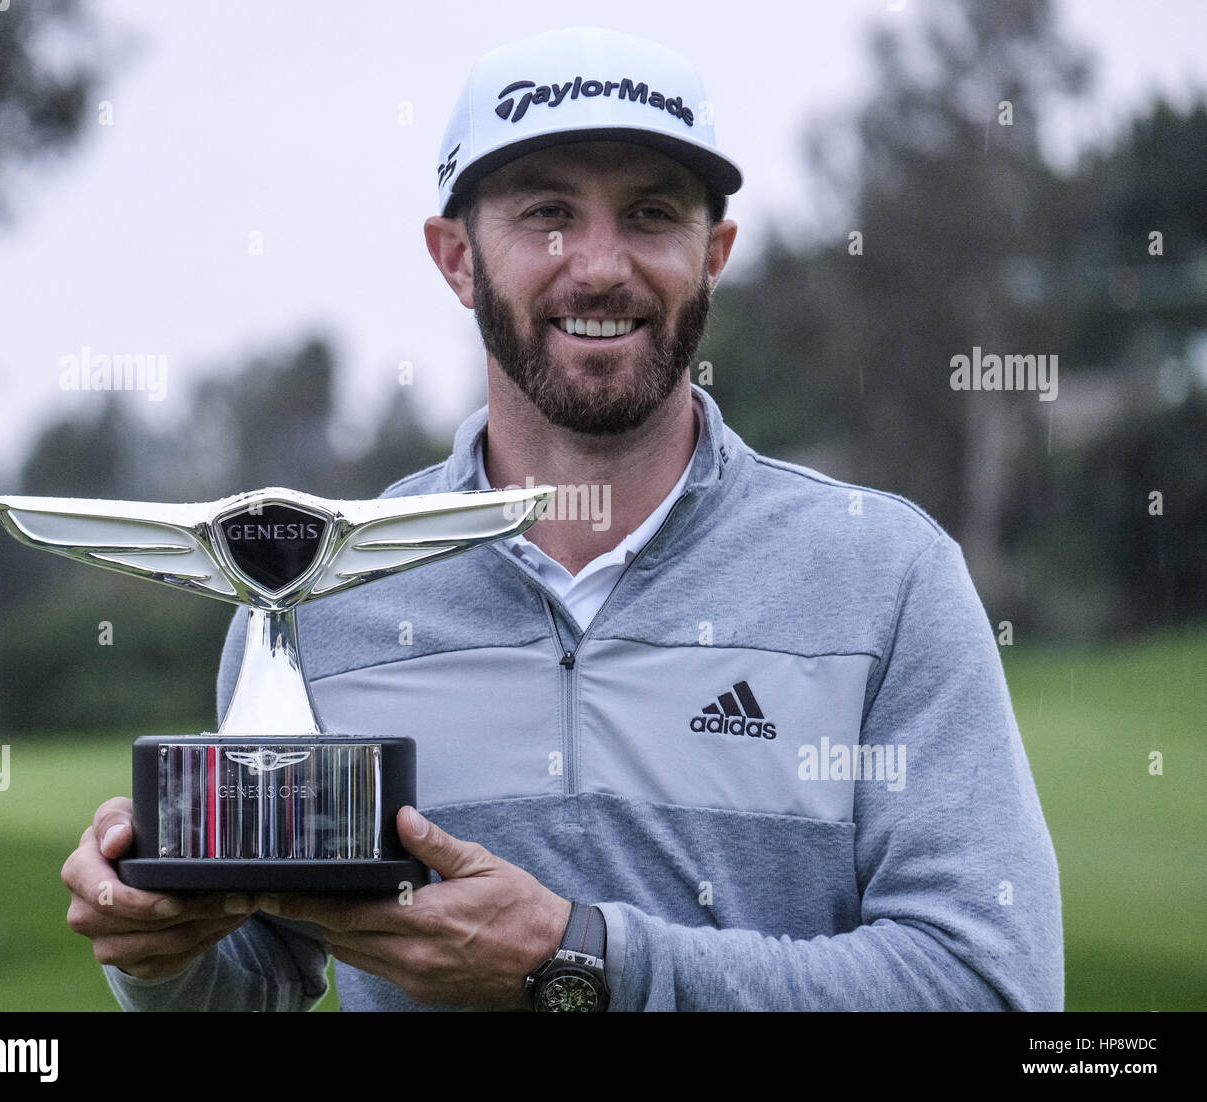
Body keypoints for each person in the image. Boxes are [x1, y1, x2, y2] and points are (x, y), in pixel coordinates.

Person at [61, 25, 1064, 1012]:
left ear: (712, 253)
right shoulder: (313, 590)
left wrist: (579, 962)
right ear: (456, 257)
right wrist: (155, 946)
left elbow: (992, 984)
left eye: (649, 213)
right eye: (545, 213)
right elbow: (254, 980)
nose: (597, 265)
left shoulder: (883, 577)